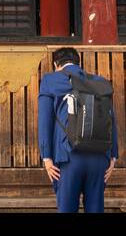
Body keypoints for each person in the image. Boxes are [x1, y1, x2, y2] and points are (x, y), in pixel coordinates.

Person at [38, 47, 118, 213]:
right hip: (99, 156)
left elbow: (45, 120)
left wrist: (46, 157)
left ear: (56, 64)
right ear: (78, 63)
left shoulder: (50, 80)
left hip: (67, 157)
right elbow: (111, 118)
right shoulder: (100, 81)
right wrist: (113, 156)